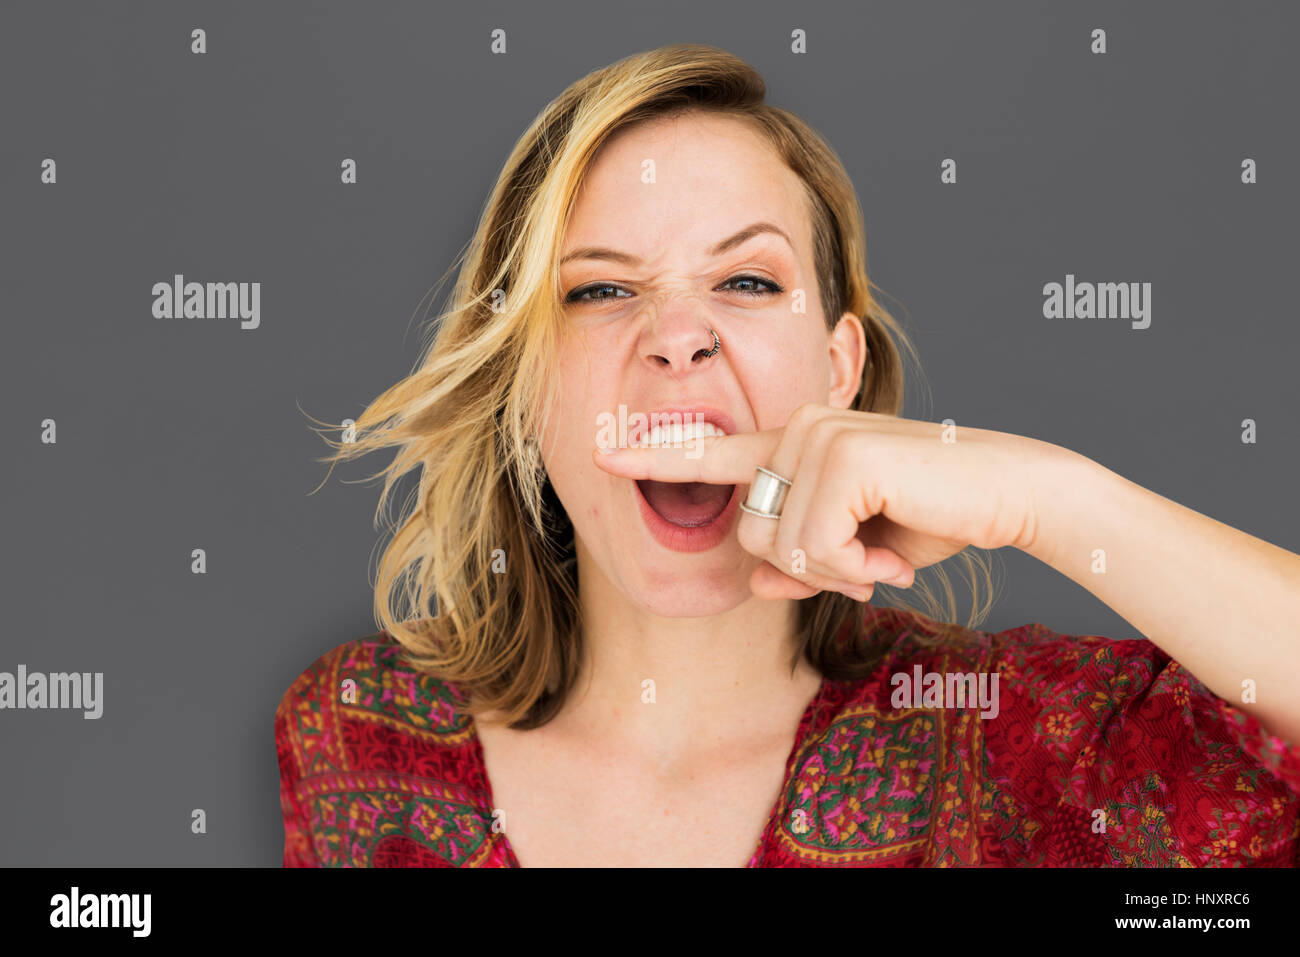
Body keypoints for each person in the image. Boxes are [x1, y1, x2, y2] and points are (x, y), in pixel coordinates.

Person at [276, 43, 1300, 867]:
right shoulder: (358, 735)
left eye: (749, 283)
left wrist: (1052, 499)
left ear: (837, 369)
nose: (677, 335)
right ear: (521, 387)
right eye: (597, 289)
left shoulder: (1015, 741)